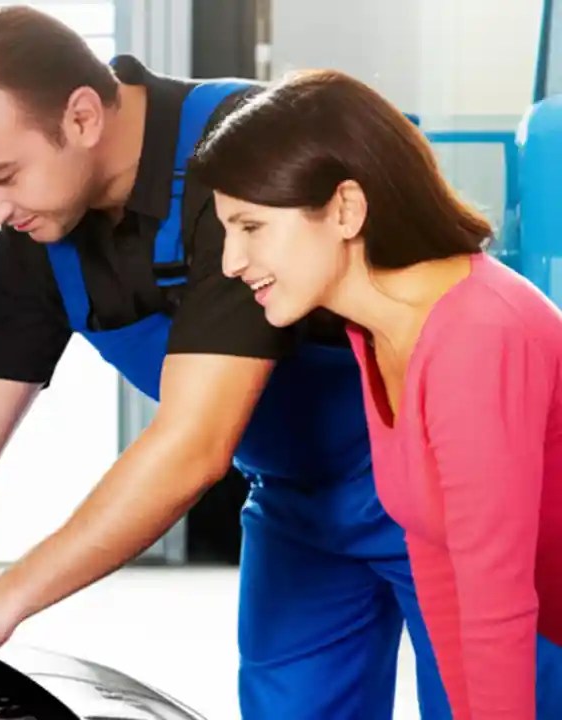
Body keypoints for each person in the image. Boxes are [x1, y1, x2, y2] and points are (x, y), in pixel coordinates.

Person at [0, 8, 451, 720]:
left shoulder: (244, 157)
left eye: (1, 175)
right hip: (301, 510)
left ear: (83, 117)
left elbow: (192, 446)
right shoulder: (38, 236)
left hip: (452, 492)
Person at [190, 68, 562, 719]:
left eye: (251, 228)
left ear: (345, 210)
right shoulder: (376, 332)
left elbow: (495, 601)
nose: (231, 261)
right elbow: (439, 563)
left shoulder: (476, 334)